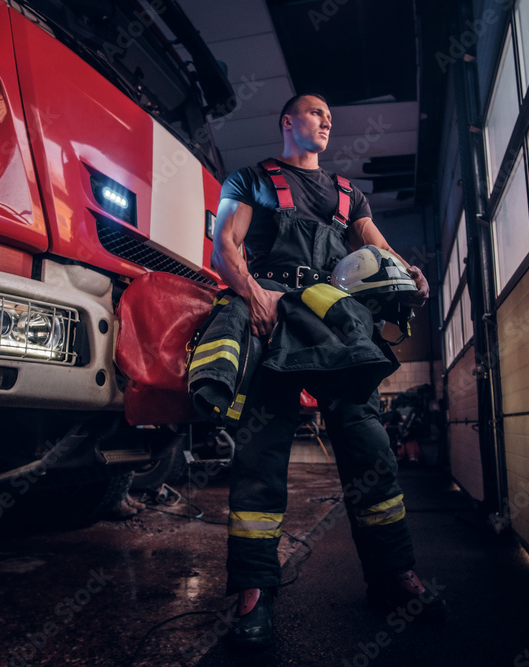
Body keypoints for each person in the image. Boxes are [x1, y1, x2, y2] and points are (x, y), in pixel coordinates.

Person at [210, 93, 444, 651]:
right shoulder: (251, 180)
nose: (326, 120)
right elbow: (226, 244)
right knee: (260, 452)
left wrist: (410, 273)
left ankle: (392, 576)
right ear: (287, 121)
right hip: (274, 317)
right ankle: (254, 591)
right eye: (315, 113)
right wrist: (253, 296)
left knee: (369, 448)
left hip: (336, 322)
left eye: (329, 117)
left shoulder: (349, 194)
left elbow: (381, 253)